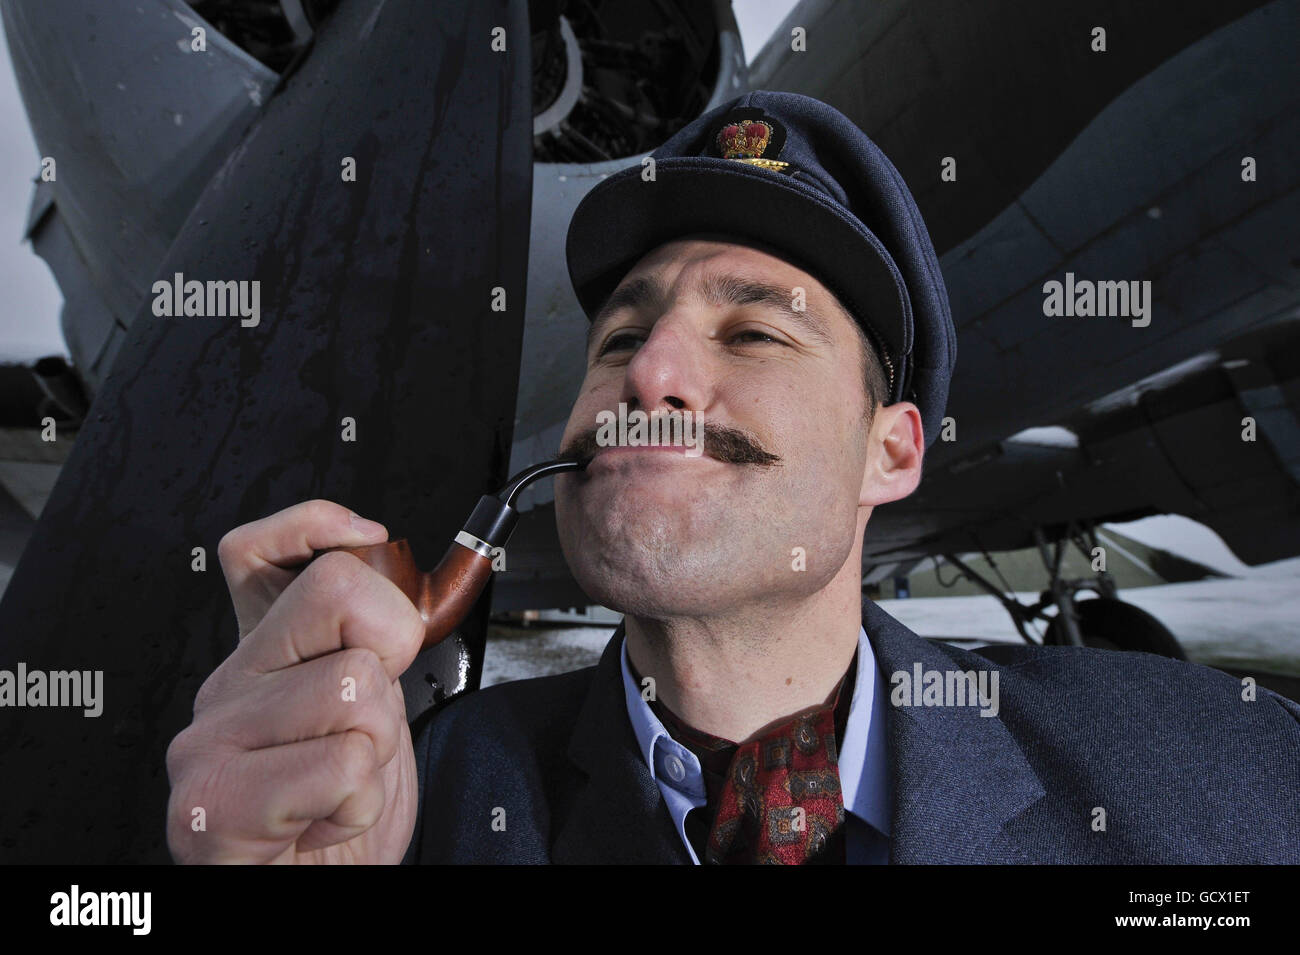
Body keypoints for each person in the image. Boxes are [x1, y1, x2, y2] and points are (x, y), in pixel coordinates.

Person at [165, 91, 1300, 865]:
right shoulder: (391, 814)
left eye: (754, 334)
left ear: (891, 450)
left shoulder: (1234, 773)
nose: (648, 371)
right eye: (616, 340)